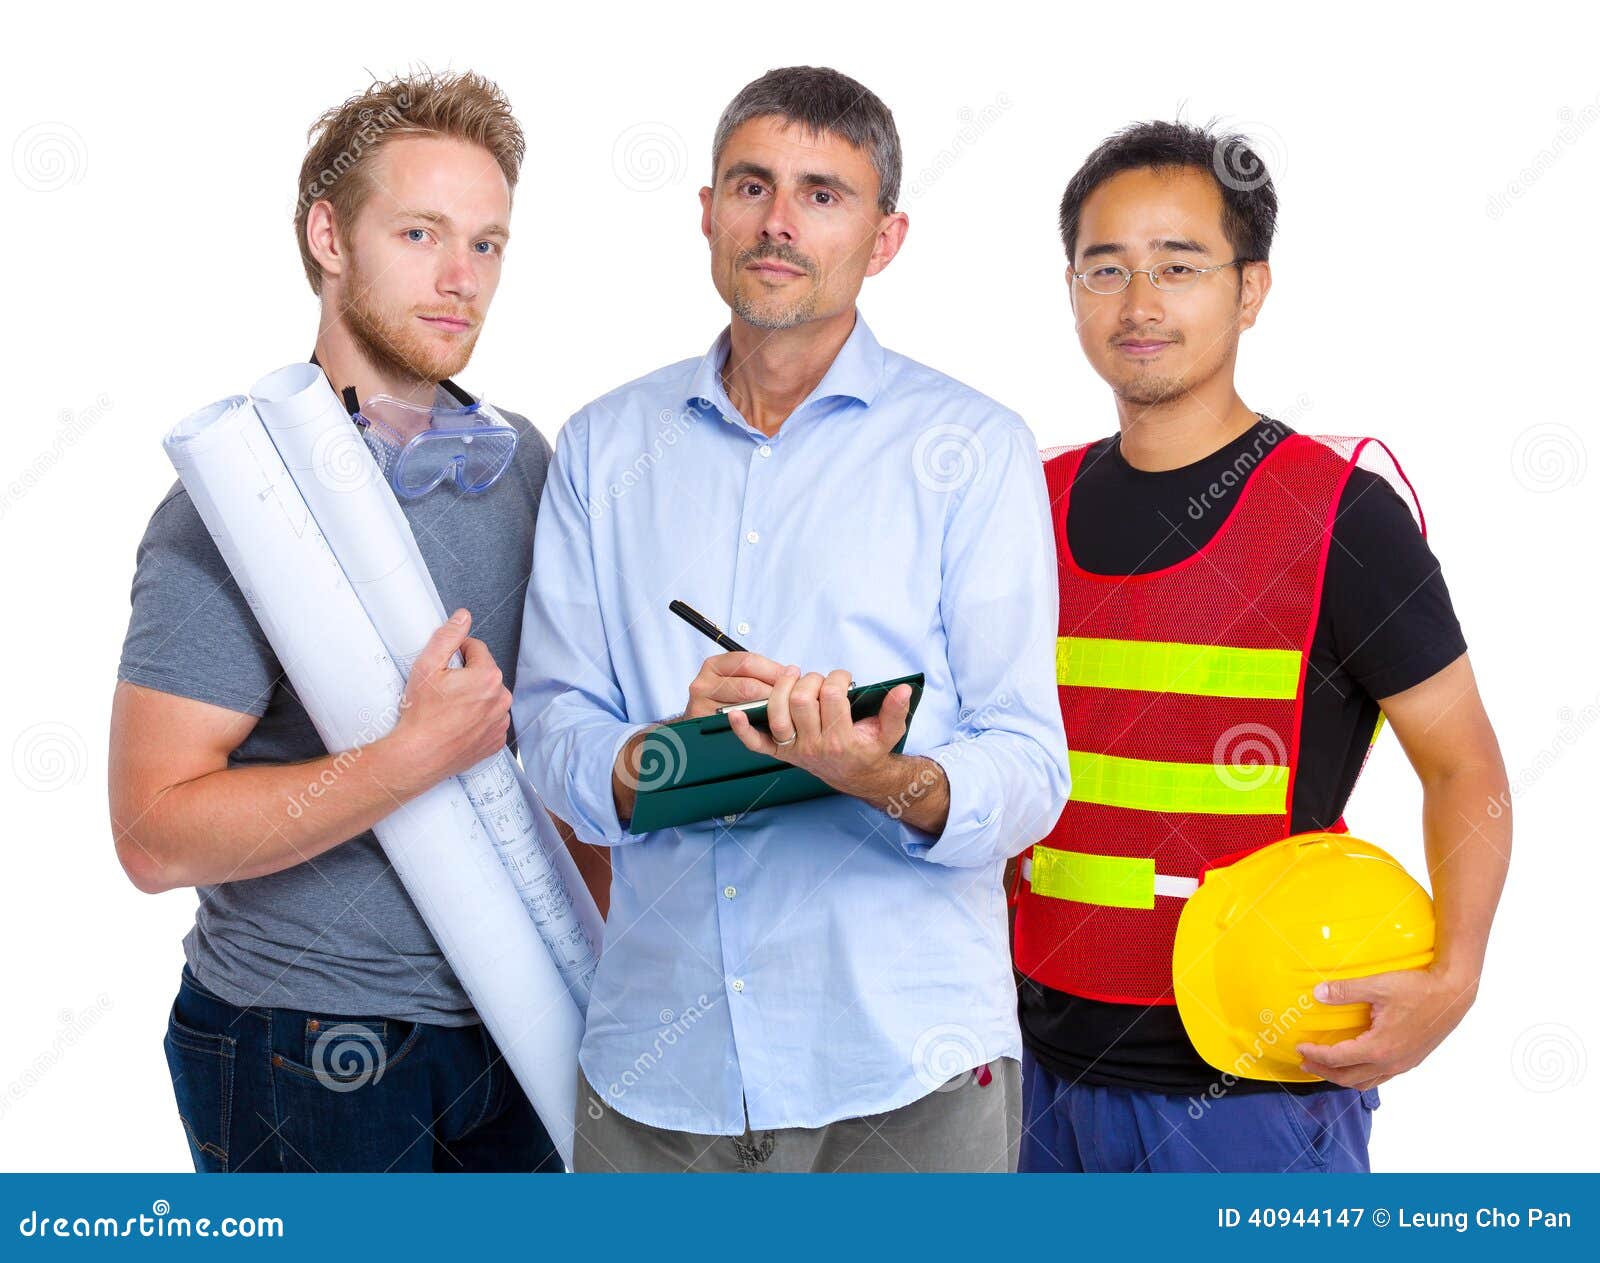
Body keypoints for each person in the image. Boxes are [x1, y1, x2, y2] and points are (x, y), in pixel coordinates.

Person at [513, 65, 1070, 1173]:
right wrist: (666, 756)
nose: (778, 222)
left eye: (823, 193)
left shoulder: (972, 448)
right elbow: (550, 729)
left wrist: (876, 776)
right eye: (751, 186)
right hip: (657, 1083)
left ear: (886, 235)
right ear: (708, 213)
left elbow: (1029, 764)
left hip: (905, 1071)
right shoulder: (603, 446)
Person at [109, 70, 594, 1173]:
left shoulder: (523, 463)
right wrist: (411, 754)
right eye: (420, 232)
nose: (459, 279)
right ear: (329, 237)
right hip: (304, 1043)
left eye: (486, 245)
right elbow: (152, 833)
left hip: (522, 1017)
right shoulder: (236, 503)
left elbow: (558, 745)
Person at [1011, 120, 1511, 1173]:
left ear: (1249, 291)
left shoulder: (1339, 516)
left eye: (1178, 267)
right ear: (1071, 290)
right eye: (1106, 269)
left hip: (1251, 1095)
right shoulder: (1022, 508)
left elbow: (1464, 765)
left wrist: (1454, 980)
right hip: (1030, 1075)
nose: (1138, 304)